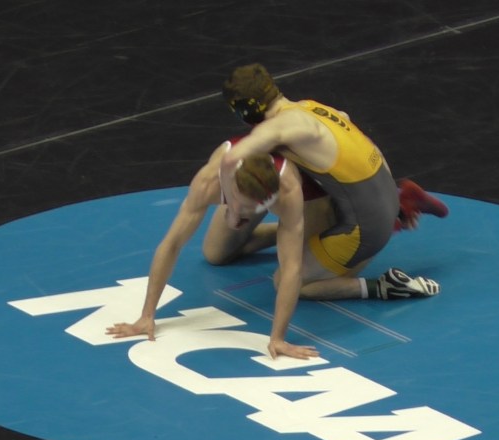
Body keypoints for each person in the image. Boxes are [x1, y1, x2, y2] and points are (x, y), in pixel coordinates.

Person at [219, 63, 448, 301]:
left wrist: (234, 209)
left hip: (365, 229)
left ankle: (384, 286)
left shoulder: (278, 127)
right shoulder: (309, 106)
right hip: (382, 190)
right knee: (246, 246)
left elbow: (231, 159)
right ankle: (400, 206)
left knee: (289, 283)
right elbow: (345, 118)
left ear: (244, 112)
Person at [106, 142, 321, 360]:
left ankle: (303, 232)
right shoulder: (208, 182)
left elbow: (292, 270)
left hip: (310, 190)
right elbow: (172, 244)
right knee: (215, 254)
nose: (248, 213)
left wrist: (277, 338)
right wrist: (147, 315)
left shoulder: (289, 191)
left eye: (253, 208)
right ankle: (286, 233)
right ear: (232, 186)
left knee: (295, 252)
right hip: (245, 192)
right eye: (244, 205)